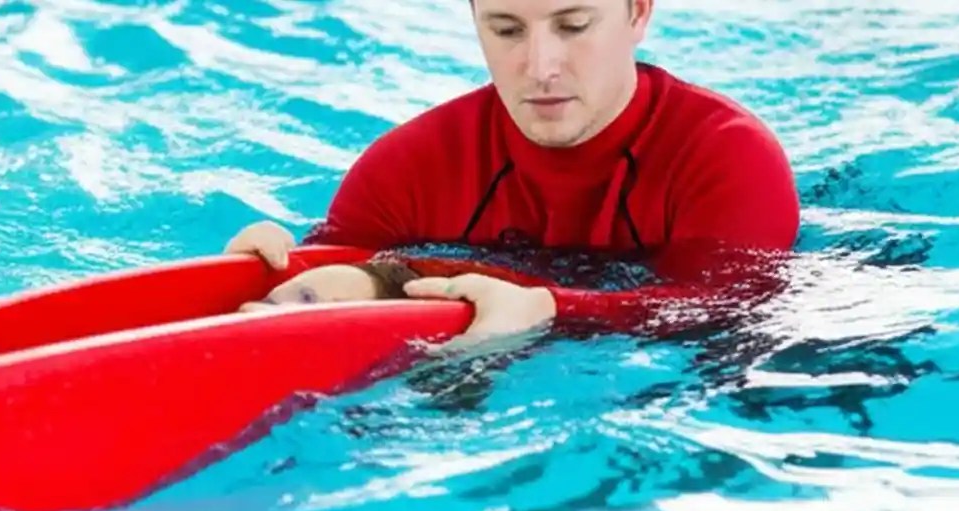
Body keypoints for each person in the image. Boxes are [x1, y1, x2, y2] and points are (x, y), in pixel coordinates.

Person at [226, 0, 799, 340]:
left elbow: (725, 309)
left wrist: (554, 310)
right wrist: (273, 269)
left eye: (573, 25)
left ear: (638, 12)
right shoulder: (409, 168)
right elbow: (340, 268)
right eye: (506, 29)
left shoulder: (730, 160)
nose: (540, 66)